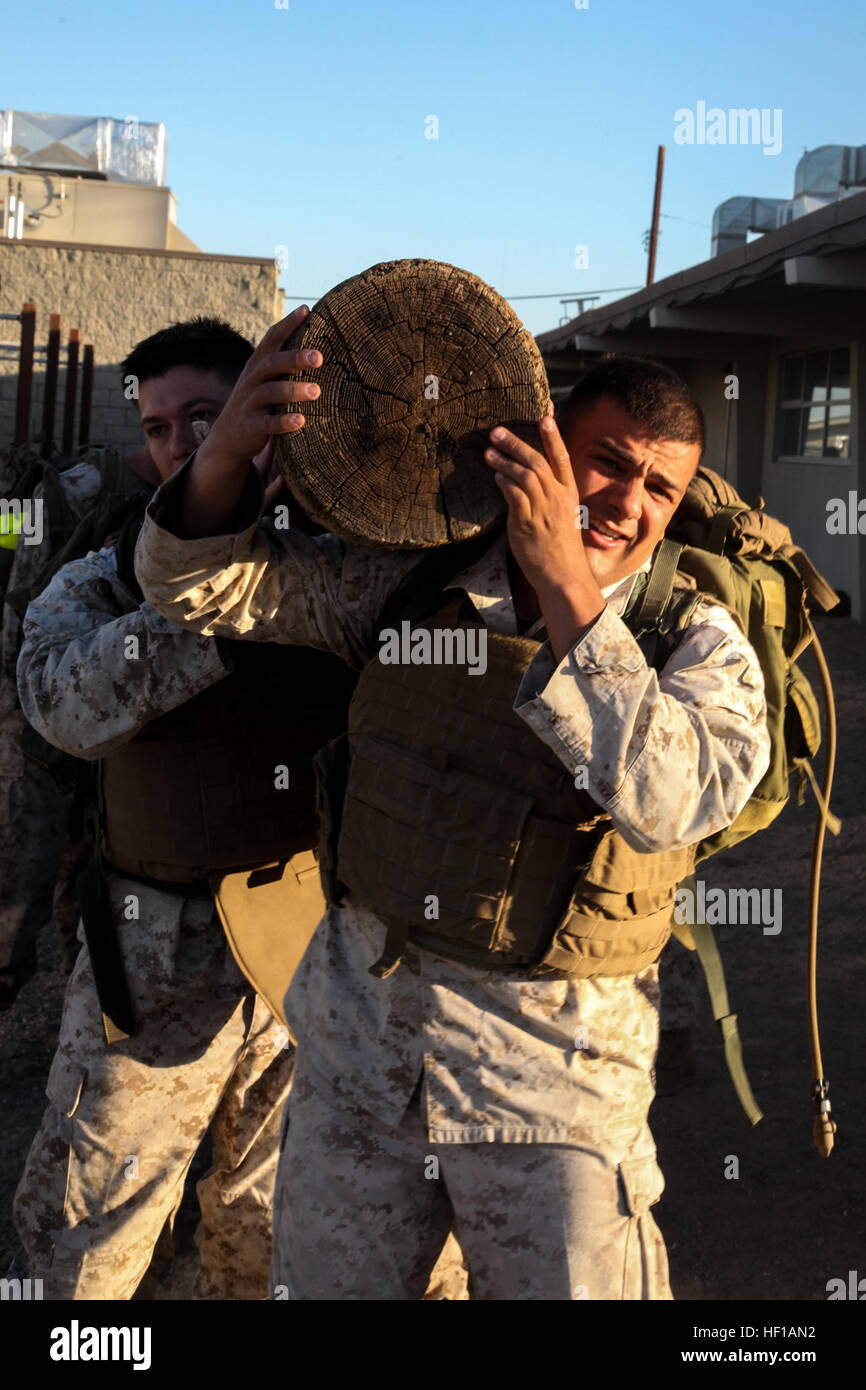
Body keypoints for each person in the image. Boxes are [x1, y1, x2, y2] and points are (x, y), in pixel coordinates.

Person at [135, 316, 771, 1300]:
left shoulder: (689, 634)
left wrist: (566, 585)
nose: (627, 503)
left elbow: (675, 801)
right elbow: (197, 583)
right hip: (358, 1076)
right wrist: (226, 450)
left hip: (552, 1100)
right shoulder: (417, 576)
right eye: (606, 464)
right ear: (549, 448)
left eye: (660, 489)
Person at [11, 312, 358, 1300]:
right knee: (93, 1220)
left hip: (305, 941)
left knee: (267, 1214)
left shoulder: (330, 564)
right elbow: (64, 709)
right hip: (153, 944)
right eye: (159, 429)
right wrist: (213, 595)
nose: (179, 445)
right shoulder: (104, 575)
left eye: (205, 417)